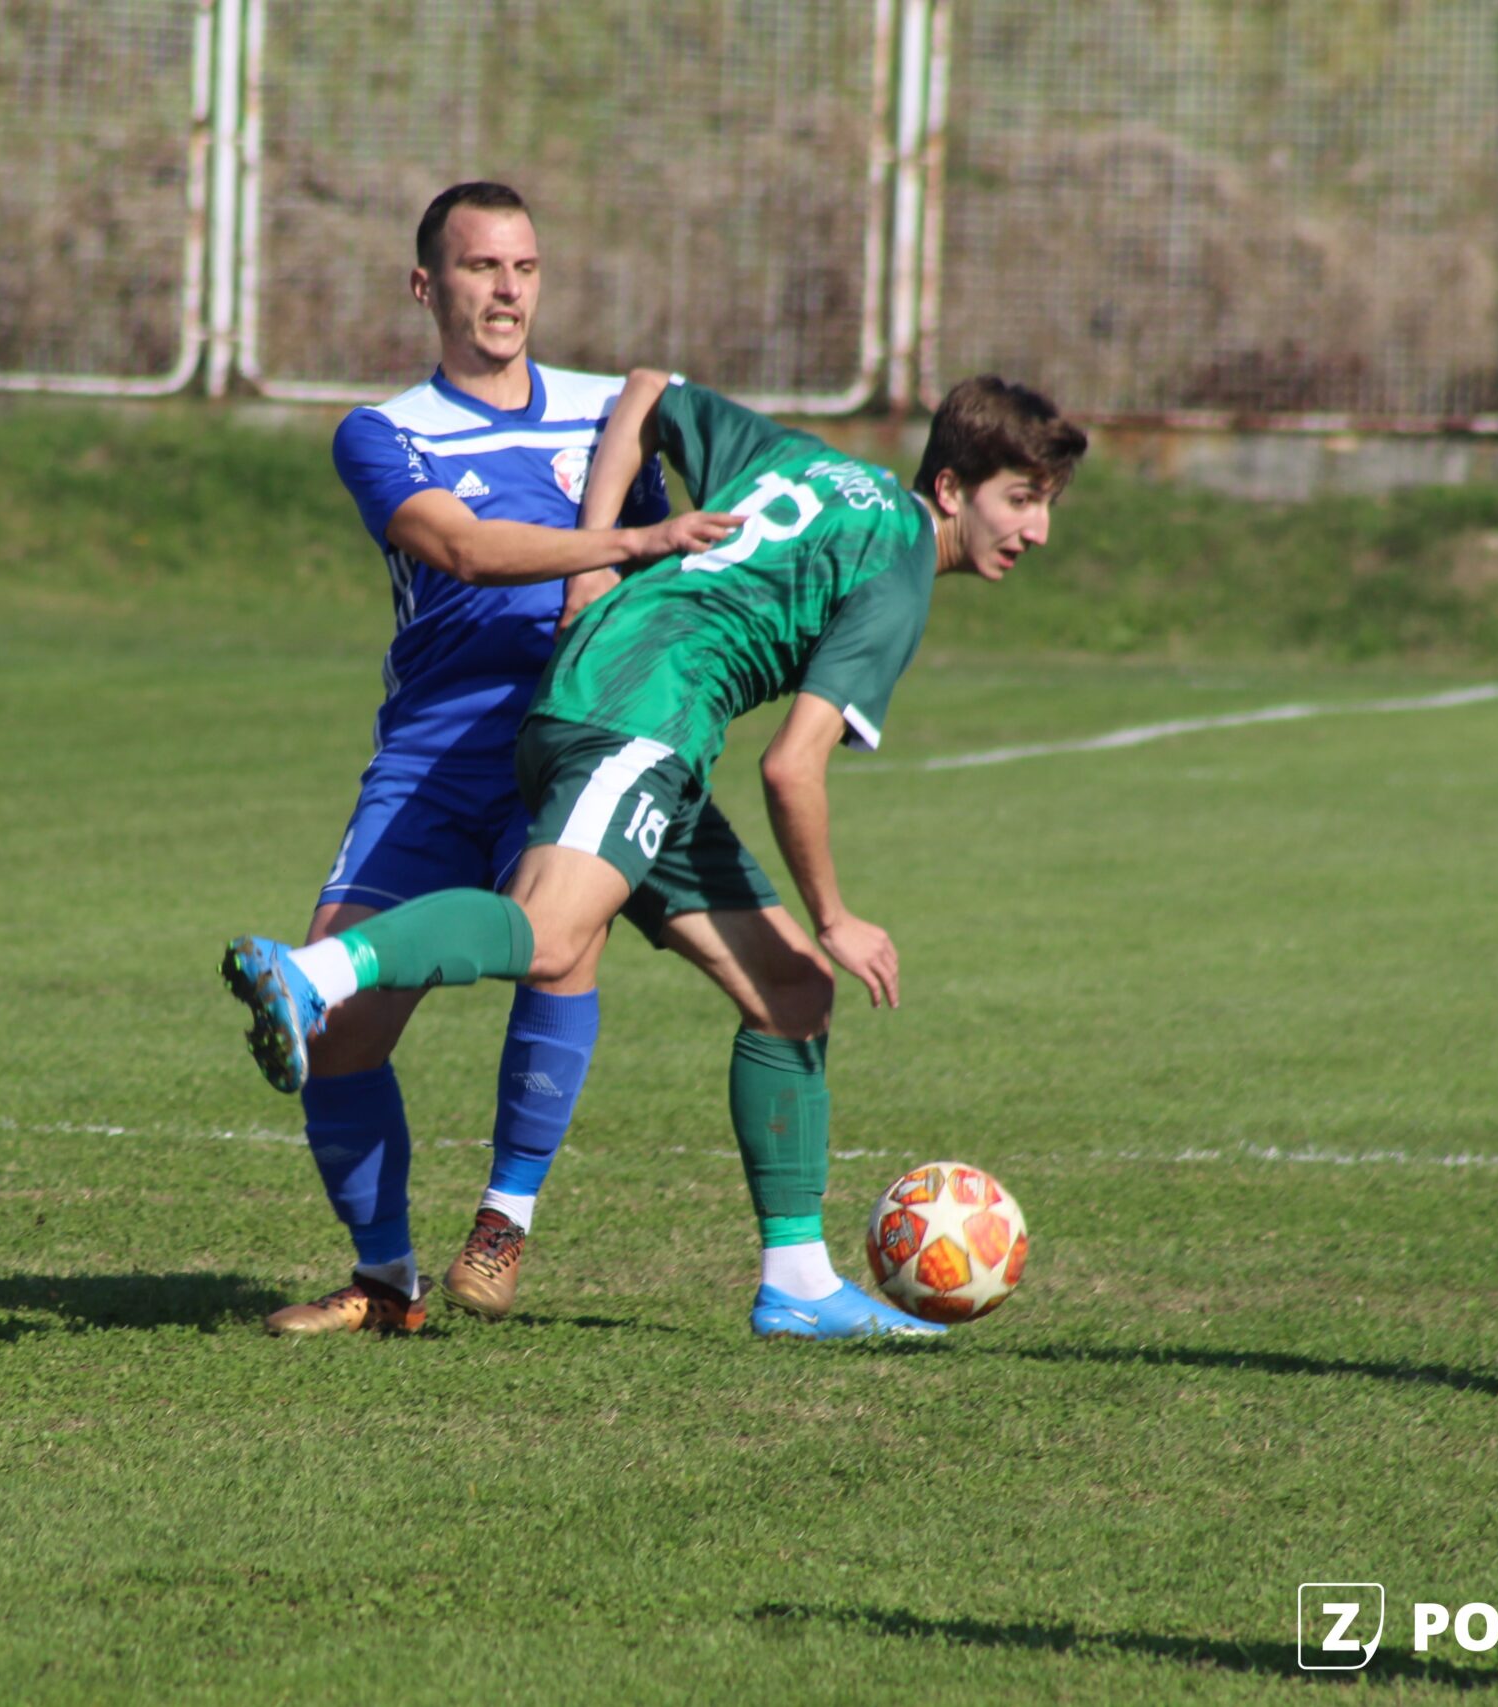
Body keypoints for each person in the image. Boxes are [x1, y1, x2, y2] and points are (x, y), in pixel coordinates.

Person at [225, 371, 1087, 1339]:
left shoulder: (810, 460)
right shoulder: (898, 565)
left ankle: (797, 1283)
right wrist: (837, 915)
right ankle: (311, 978)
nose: (1036, 530)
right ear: (948, 489)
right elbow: (791, 768)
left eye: (1046, 505)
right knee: (551, 937)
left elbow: (647, 391)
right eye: (1020, 500)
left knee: (792, 992)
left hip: (630, 706)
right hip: (639, 714)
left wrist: (592, 572)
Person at [257, 183, 744, 1338]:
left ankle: (504, 1221)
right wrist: (627, 538)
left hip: (574, 733)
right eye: (480, 268)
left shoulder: (606, 413)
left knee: (558, 946)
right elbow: (463, 551)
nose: (507, 290)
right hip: (435, 742)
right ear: (427, 286)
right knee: (339, 1026)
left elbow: (690, 556)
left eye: (523, 267)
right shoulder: (382, 431)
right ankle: (386, 1283)